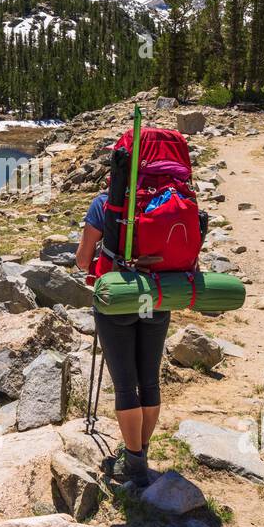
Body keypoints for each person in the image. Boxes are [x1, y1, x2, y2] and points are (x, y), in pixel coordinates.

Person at [75, 193, 171, 488]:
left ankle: (133, 464)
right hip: (154, 298)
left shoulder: (106, 202)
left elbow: (82, 261)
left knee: (126, 385)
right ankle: (138, 455)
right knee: (149, 381)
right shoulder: (170, 199)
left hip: (118, 301)